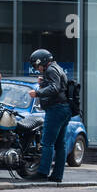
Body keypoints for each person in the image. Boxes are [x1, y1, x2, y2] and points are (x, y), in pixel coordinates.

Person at [28, 48, 70, 183]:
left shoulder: (51, 70)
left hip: (56, 109)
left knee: (47, 143)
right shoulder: (57, 68)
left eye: (36, 65)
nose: (36, 68)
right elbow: (58, 86)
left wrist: (37, 93)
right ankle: (57, 175)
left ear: (43, 62)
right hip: (64, 108)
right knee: (60, 144)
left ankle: (42, 172)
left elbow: (55, 88)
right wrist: (43, 83)